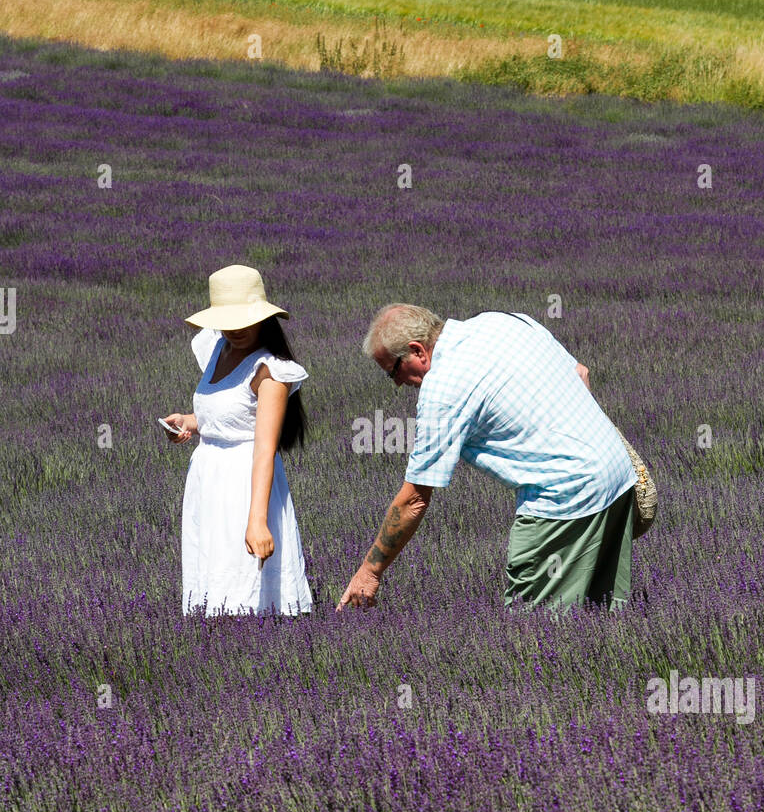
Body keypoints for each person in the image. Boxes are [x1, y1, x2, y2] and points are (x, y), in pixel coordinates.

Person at [337, 304, 637, 614]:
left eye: (393, 371)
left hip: (564, 498)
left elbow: (414, 499)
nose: (398, 384)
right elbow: (581, 373)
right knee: (600, 617)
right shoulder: (505, 321)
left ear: (417, 351)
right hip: (617, 474)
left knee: (536, 633)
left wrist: (369, 572)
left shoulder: (443, 386)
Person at [162, 264, 312, 617]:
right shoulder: (217, 348)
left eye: (244, 320)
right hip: (207, 480)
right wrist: (188, 422)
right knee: (213, 584)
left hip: (245, 485)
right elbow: (225, 414)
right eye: (228, 322)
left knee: (247, 588)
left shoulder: (271, 371)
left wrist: (257, 519)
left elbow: (264, 447)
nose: (237, 329)